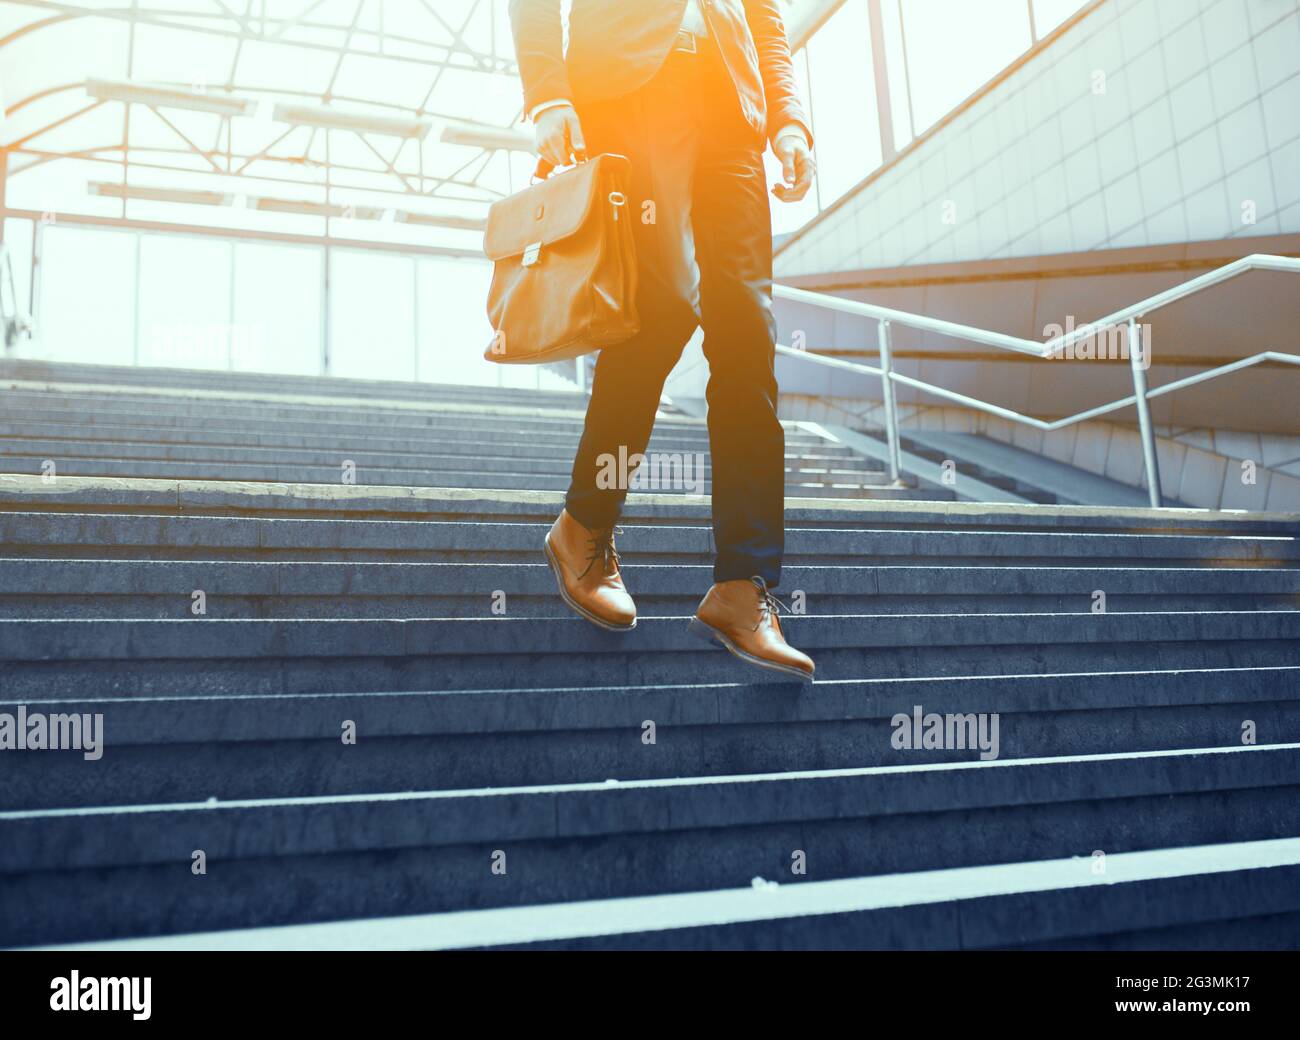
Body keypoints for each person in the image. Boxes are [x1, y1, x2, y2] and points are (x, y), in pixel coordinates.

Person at [511, 0, 817, 682]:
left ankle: (742, 584)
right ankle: (584, 523)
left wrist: (789, 115)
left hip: (731, 101)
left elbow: (764, 12)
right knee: (662, 307)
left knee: (747, 331)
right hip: (629, 87)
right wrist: (549, 94)